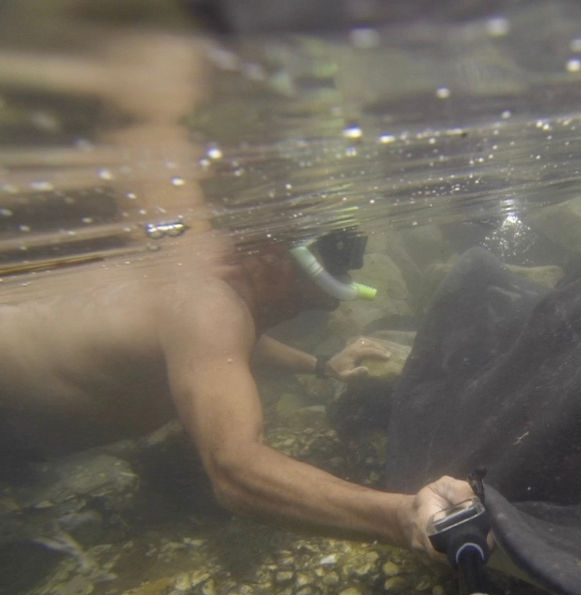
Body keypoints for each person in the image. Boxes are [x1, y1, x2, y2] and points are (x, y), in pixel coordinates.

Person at [0, 29, 473, 557]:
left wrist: (322, 365)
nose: (325, 295)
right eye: (321, 273)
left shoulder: (218, 308)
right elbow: (234, 470)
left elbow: (223, 351)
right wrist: (401, 516)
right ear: (270, 259)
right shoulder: (209, 305)